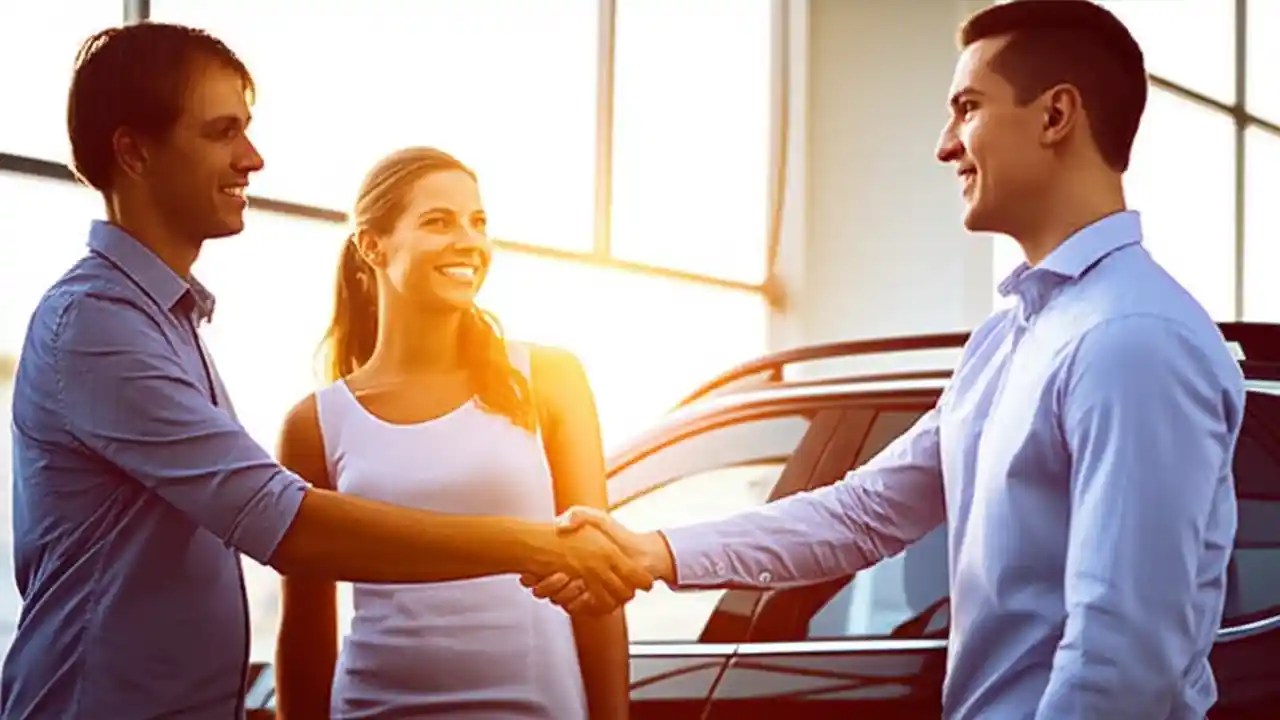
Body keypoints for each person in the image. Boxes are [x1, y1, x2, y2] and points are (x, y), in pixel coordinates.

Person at [528, 2, 1245, 718]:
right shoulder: (1008, 341)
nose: (944, 146)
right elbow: (863, 513)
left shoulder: (1133, 339)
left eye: (968, 108)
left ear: (1056, 115)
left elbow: (1121, 663)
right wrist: (653, 550)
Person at [2, 22, 649, 720]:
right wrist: (541, 544)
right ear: (134, 152)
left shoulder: (167, 322)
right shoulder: (98, 327)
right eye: (222, 132)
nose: (252, 158)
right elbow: (286, 525)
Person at [272, 146, 630, 719]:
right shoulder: (314, 424)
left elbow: (599, 586)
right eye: (439, 222)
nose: (469, 241)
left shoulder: (548, 379)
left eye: (477, 222)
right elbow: (306, 630)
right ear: (372, 246)